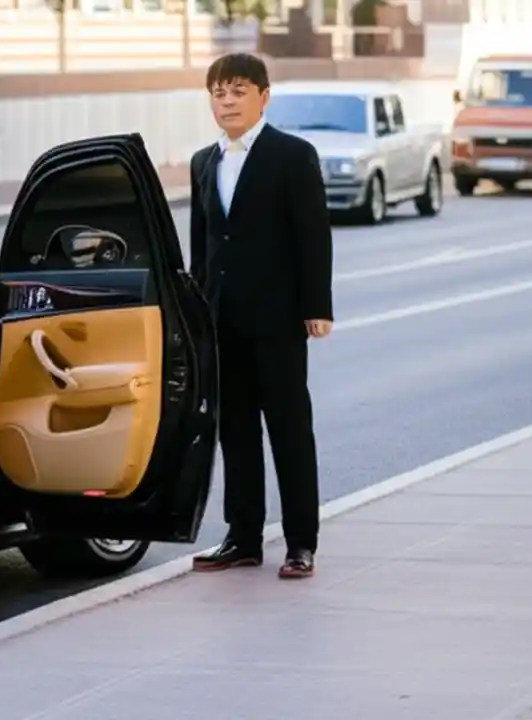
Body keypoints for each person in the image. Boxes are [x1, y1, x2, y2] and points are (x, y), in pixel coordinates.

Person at [188, 53, 333, 579]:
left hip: (278, 319)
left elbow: (312, 235)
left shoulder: (292, 155)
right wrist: (194, 311)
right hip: (223, 321)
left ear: (264, 97)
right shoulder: (204, 161)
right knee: (237, 433)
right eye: (219, 93)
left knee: (290, 430)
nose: (227, 102)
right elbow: (201, 247)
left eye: (238, 91)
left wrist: (317, 307)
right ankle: (243, 537)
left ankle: (301, 544)